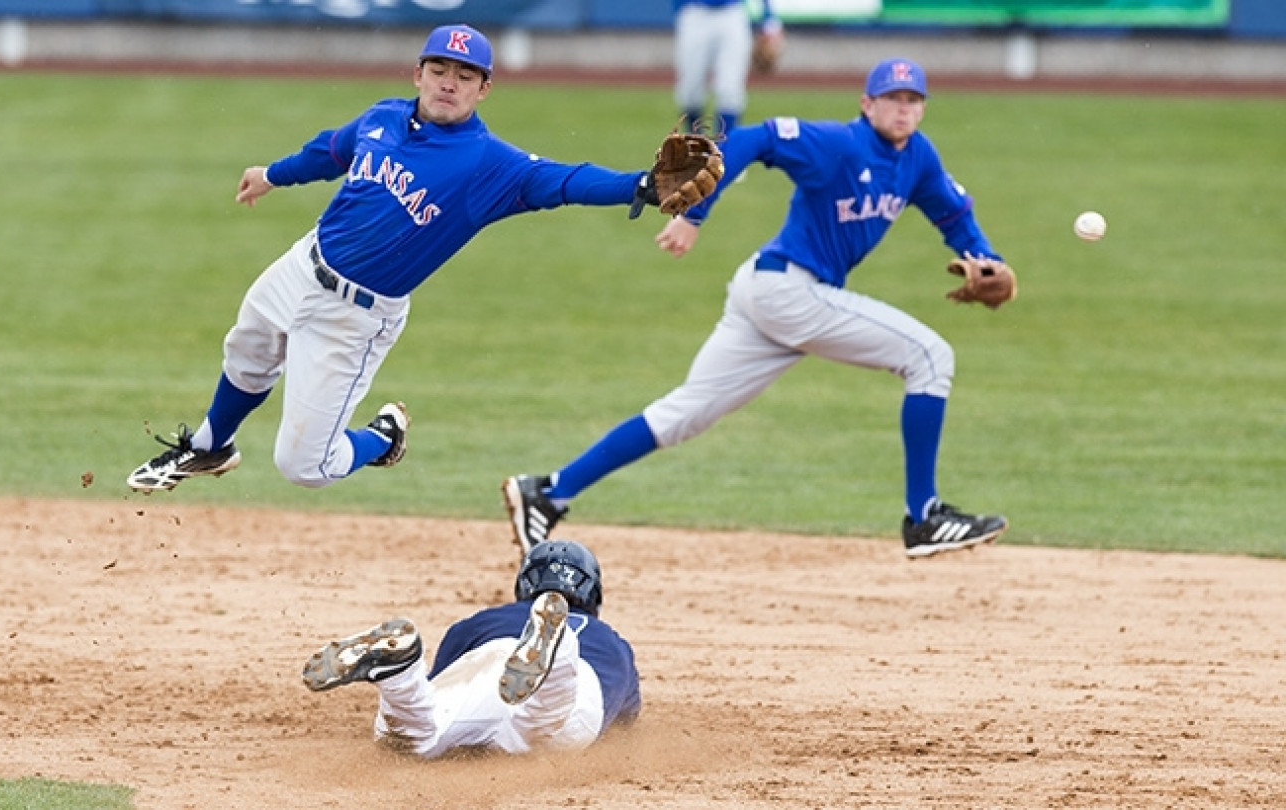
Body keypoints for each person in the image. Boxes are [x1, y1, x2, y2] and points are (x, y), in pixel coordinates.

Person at [505, 59, 1012, 559]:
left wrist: (988, 259)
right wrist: (694, 212)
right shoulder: (838, 145)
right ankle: (924, 517)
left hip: (776, 297)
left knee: (682, 416)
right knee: (930, 357)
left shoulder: (917, 157)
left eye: (912, 100)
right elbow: (755, 139)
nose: (903, 109)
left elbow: (953, 212)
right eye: (892, 99)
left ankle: (547, 493)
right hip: (785, 291)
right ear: (867, 104)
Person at [127, 24, 660, 493]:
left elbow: (567, 180)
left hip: (354, 318)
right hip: (302, 264)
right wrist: (273, 174)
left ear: (485, 89)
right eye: (439, 68)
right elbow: (329, 151)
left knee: (303, 467)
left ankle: (382, 438)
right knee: (247, 348)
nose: (449, 82)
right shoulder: (381, 117)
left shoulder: (491, 166)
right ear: (418, 74)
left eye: (466, 75)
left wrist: (640, 185)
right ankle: (209, 445)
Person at [301, 540, 641, 758]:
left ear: (524, 585)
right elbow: (623, 725)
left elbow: (440, 681)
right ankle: (559, 648)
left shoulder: (482, 621)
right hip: (573, 683)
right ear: (592, 591)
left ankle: (400, 673)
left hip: (483, 664)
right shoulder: (612, 643)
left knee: (416, 738)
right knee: (546, 726)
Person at [673, 0, 784, 137]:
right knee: (690, 91)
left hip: (731, 14)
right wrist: (679, 10)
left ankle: (724, 149)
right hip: (696, 12)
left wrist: (769, 19)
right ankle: (695, 145)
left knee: (730, 90)